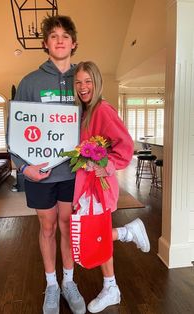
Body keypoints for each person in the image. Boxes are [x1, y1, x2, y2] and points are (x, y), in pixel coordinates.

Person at [12, 16, 86, 314]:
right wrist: (22, 167)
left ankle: (69, 282)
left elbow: (93, 122)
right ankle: (52, 286)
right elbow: (14, 131)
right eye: (53, 35)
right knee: (47, 226)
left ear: (73, 43)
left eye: (65, 35)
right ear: (45, 44)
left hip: (72, 172)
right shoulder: (30, 83)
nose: (59, 40)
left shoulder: (83, 80)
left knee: (68, 226)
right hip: (39, 173)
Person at [73, 61, 150, 313]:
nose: (83, 87)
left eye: (88, 81)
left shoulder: (102, 110)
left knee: (93, 234)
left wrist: (104, 166)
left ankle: (112, 285)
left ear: (97, 83)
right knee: (90, 233)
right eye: (79, 82)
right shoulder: (84, 112)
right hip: (86, 187)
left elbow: (125, 146)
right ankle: (112, 284)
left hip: (98, 186)